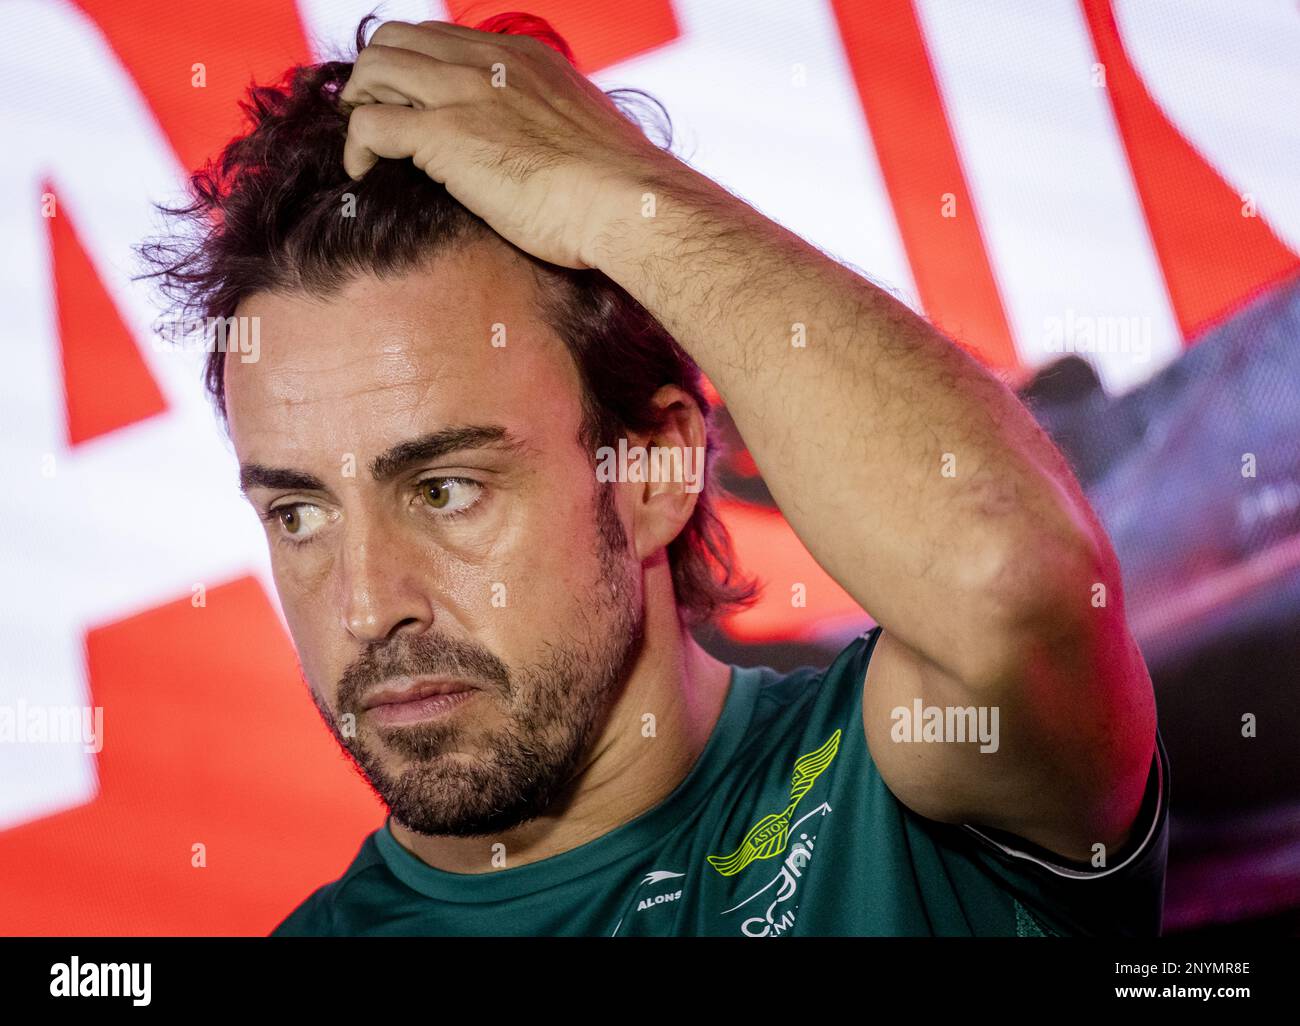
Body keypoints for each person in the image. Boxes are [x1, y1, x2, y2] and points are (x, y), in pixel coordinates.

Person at [143, 14, 1167, 936]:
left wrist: (621, 195)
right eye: (300, 511)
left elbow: (1010, 580)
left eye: (444, 489)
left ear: (654, 471)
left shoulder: (893, 797)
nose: (367, 607)